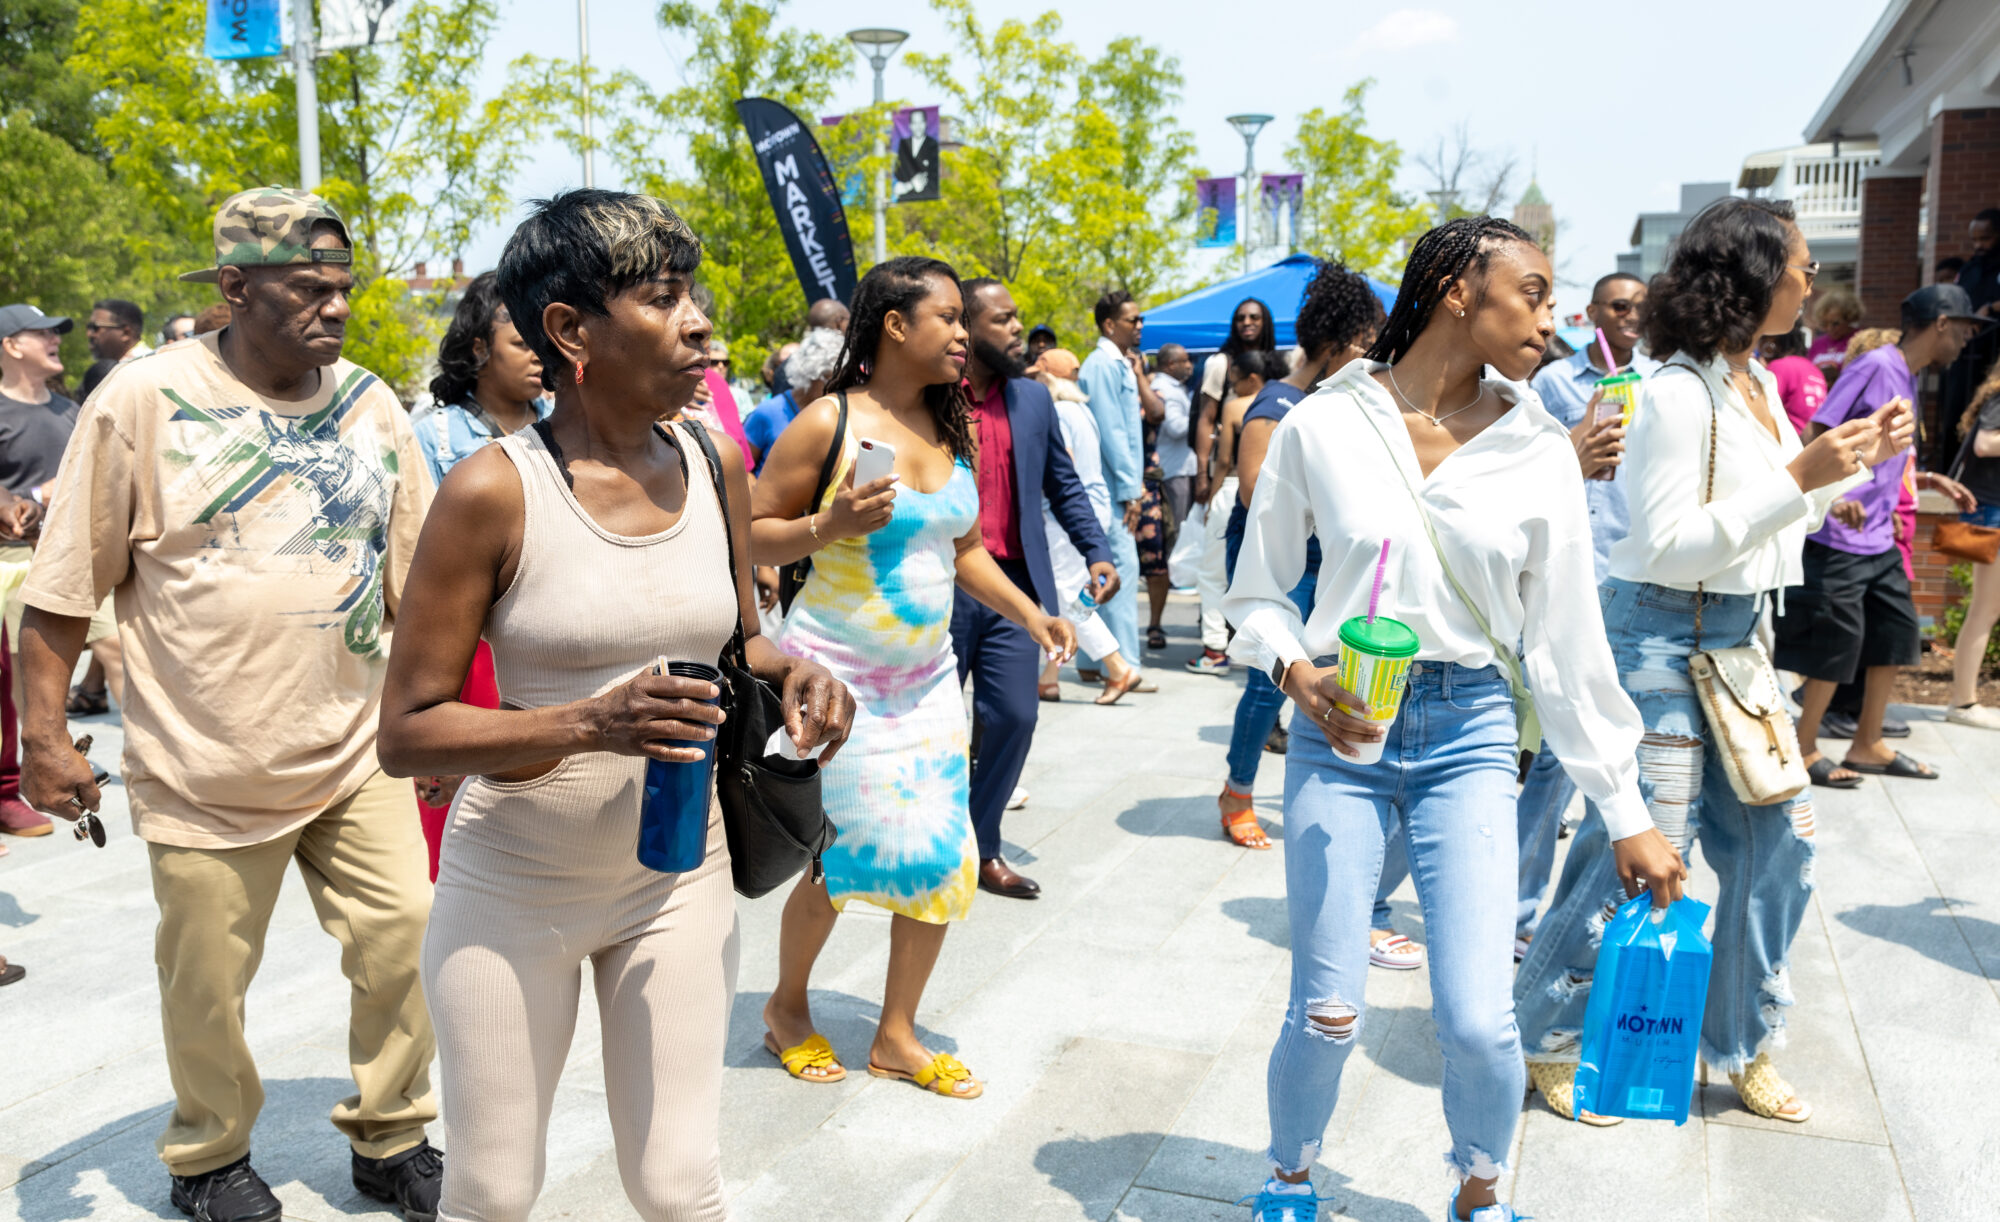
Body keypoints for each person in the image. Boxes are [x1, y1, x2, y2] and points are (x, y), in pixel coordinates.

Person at [376, 189, 852, 1222]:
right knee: (493, 1193)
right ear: (569, 329)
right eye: (662, 296)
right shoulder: (494, 492)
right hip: (511, 886)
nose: (698, 323)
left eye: (692, 294)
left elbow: (738, 638)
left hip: (677, 875)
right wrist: (588, 723)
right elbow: (405, 733)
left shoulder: (713, 458)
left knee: (678, 1186)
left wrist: (794, 670)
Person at [1228, 218, 1671, 1222]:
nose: (1549, 319)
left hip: (1469, 730)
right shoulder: (1323, 423)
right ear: (1457, 292)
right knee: (1329, 1009)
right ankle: (1287, 1177)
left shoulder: (1535, 448)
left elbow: (1563, 641)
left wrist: (1622, 807)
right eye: (1534, 291)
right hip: (1338, 730)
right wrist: (1294, 671)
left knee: (1475, 1018)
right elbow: (1251, 589)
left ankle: (1480, 1192)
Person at [17, 187, 443, 1222]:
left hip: (353, 749)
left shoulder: (371, 404)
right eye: (308, 289)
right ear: (235, 288)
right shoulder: (142, 401)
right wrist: (41, 738)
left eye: (342, 289)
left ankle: (391, 1135)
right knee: (206, 981)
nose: (334, 310)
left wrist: (435, 719)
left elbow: (421, 583)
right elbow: (64, 587)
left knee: (407, 934)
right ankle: (208, 1158)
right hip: (205, 761)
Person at [1518, 197, 1906, 1134]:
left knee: (1785, 843)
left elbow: (1775, 526)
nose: (1812, 282)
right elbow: (1668, 544)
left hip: (1738, 643)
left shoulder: (1759, 384)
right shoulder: (1677, 391)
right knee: (1648, 850)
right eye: (1801, 266)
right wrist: (1797, 482)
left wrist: (1845, 475)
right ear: (1751, 275)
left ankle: (1741, 1042)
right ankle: (1551, 1034)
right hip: (1657, 634)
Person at [751, 256, 1077, 1099]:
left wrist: (1031, 613)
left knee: (941, 855)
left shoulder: (948, 422)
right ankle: (787, 1008)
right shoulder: (827, 422)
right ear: (896, 325)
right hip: (837, 684)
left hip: (928, 684)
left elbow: (963, 550)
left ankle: (896, 1034)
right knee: (838, 859)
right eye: (949, 318)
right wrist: (829, 523)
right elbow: (748, 534)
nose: (965, 335)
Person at [1778, 283, 1986, 785]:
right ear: (1940, 323)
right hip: (1841, 538)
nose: (1965, 341)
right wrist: (1831, 495)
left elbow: (1890, 452)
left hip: (1879, 539)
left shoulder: (1906, 375)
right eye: (1962, 330)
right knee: (1835, 644)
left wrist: (1923, 481)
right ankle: (1803, 749)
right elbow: (1819, 430)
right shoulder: (1876, 364)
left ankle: (1867, 743)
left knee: (1894, 635)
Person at [946, 279, 1114, 898]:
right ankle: (930, 843)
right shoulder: (931, 396)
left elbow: (1062, 485)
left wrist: (1096, 549)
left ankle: (982, 845)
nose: (1018, 329)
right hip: (939, 587)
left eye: (1018, 318)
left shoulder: (1035, 402)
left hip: (1016, 591)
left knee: (1014, 716)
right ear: (965, 326)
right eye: (1004, 319)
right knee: (935, 724)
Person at [1510, 271, 1659, 958]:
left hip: (1628, 584)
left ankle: (1591, 908)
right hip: (1563, 583)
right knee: (1547, 759)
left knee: (1616, 750)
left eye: (1640, 309)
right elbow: (1523, 471)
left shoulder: (1658, 383)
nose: (1631, 317)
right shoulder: (1551, 383)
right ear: (1593, 313)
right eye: (1619, 307)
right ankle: (1517, 911)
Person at [1216, 265, 1382, 853]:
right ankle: (1237, 792)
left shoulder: (1331, 405)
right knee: (1272, 683)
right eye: (1362, 343)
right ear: (1335, 344)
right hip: (1278, 568)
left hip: (1319, 563)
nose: (1371, 354)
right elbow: (1251, 485)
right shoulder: (1279, 402)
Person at [401, 271, 549, 879]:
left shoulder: (564, 424)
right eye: (522, 343)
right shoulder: (433, 436)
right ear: (480, 347)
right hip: (468, 655)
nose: (540, 357)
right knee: (462, 831)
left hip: (542, 646)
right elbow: (418, 572)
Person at [0, 303, 79, 840]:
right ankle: (17, 783)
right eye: (42, 332)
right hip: (11, 558)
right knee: (15, 679)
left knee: (119, 647)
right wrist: (23, 499)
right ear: (11, 346)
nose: (55, 339)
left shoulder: (71, 411)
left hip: (69, 554)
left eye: (57, 332)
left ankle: (51, 757)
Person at [1030, 347, 1145, 705]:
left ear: (1047, 377)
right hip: (1093, 509)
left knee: (1067, 593)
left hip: (1067, 515)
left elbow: (1064, 465)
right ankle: (1049, 677)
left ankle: (1117, 666)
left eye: (1036, 376)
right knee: (1067, 595)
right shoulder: (1081, 409)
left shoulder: (1059, 411)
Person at [1186, 348, 1275, 677]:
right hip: (1274, 498)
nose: (1232, 387)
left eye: (1235, 380)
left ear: (1250, 378)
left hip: (1234, 489)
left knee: (1212, 575)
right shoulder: (1288, 403)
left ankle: (1214, 650)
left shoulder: (1236, 406)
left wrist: (1210, 495)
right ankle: (1260, 650)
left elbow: (1223, 460)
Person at [1078, 291, 1151, 676]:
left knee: (1102, 572)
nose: (1139, 326)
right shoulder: (1103, 365)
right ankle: (1124, 666)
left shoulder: (1117, 364)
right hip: (1111, 490)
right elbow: (1112, 433)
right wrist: (1130, 490)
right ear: (1110, 325)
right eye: (1132, 320)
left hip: (1114, 488)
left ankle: (1092, 660)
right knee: (1120, 570)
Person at [1944, 359, 2000, 727]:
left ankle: (1963, 702)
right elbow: (1984, 444)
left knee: (1986, 608)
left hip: (1991, 509)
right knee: (1985, 609)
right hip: (1992, 511)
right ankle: (1962, 703)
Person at [1143, 343, 1197, 648]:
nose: (1189, 365)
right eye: (1184, 360)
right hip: (1171, 472)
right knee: (1173, 534)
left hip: (1178, 468)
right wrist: (1208, 424)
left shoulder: (1174, 386)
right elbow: (1175, 427)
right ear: (1169, 364)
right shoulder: (1162, 388)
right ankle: (1179, 578)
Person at [742, 325, 842, 474]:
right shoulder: (768, 412)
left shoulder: (836, 414)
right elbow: (742, 469)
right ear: (810, 373)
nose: (836, 386)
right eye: (828, 378)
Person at [78, 297, 149, 400]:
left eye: (95, 328)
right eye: (88, 327)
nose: (89, 334)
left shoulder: (143, 368)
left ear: (126, 333)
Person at [1762, 324, 1827, 435]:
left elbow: (1763, 407)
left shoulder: (1779, 366)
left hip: (1790, 440)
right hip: (1812, 441)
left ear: (1773, 345)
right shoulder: (1814, 369)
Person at [1806, 287, 1862, 383]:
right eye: (1824, 324)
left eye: (1835, 323)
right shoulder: (1818, 344)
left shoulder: (1859, 340)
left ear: (1849, 318)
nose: (1829, 329)